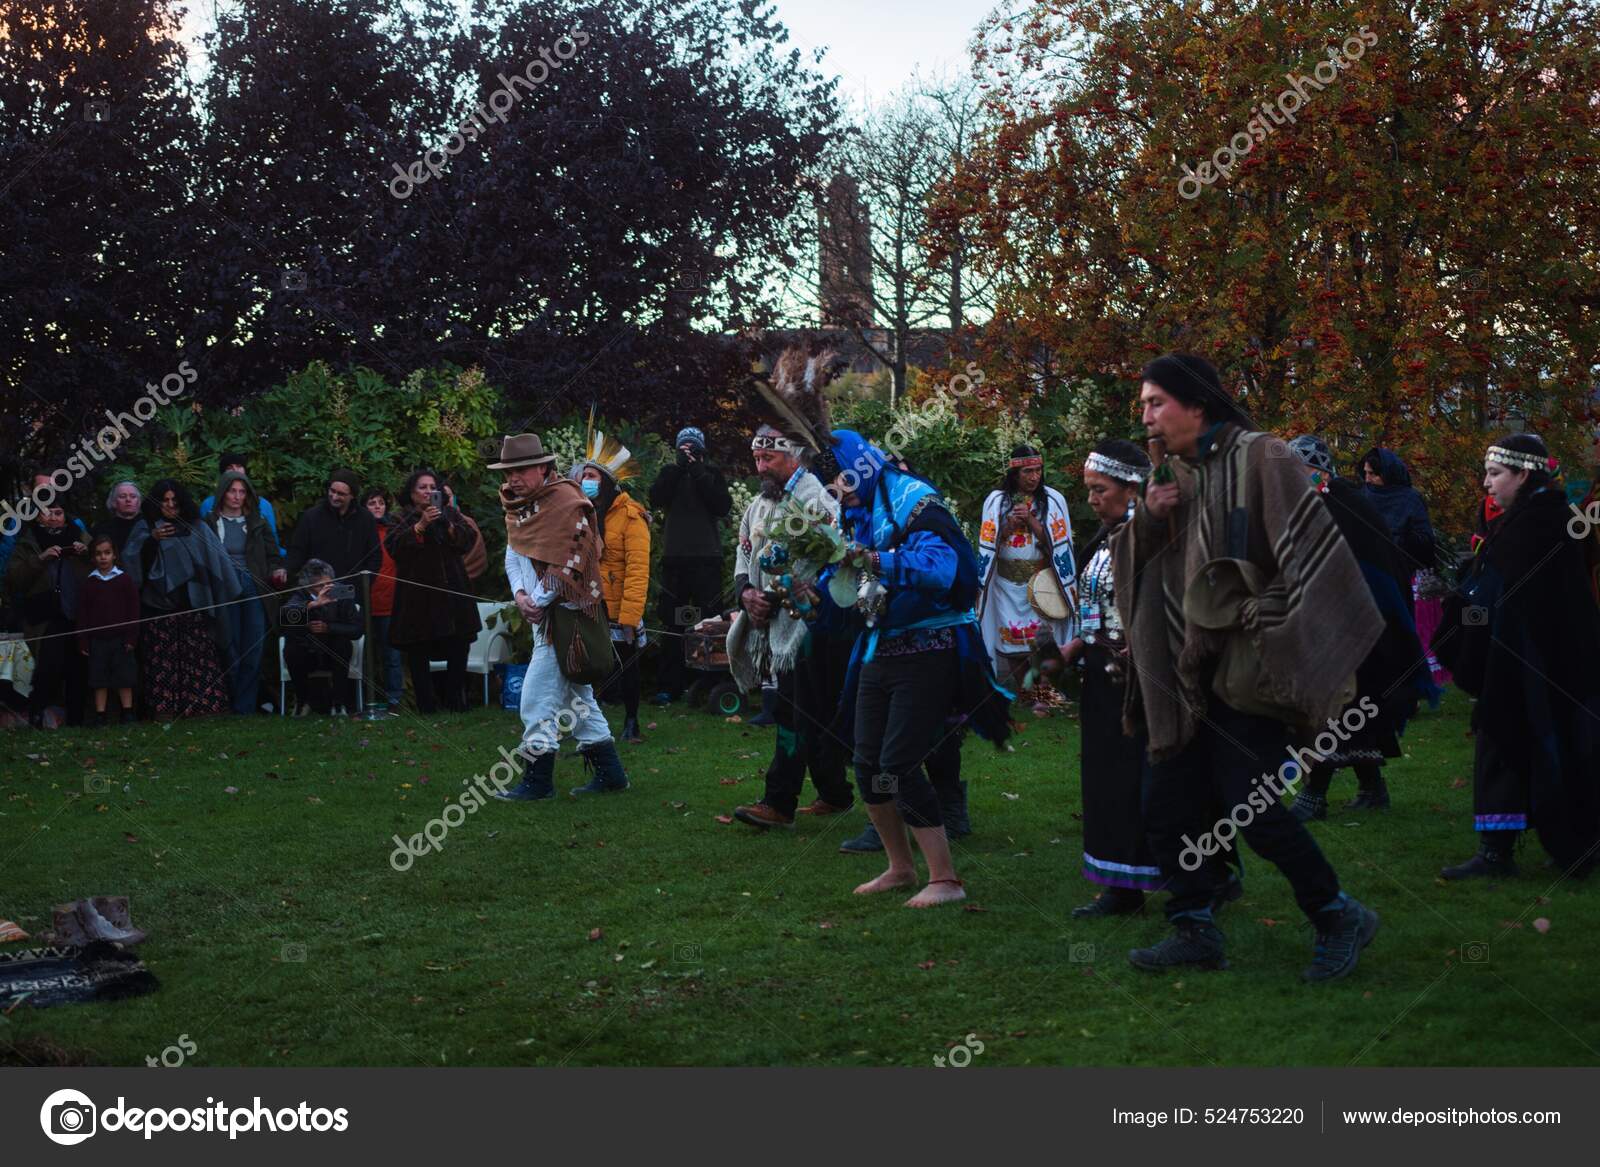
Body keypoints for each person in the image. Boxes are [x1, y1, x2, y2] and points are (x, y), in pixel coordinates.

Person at [1114, 354, 1380, 982]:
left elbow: (1318, 556)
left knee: (1250, 807)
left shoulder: (1266, 458)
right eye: (1145, 405)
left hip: (1246, 670)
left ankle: (1337, 913)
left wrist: (1265, 616)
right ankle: (1194, 927)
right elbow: (1136, 563)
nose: (1146, 417)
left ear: (1196, 405)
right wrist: (1150, 517)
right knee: (1167, 803)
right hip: (1183, 674)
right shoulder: (1168, 472)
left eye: (1156, 403)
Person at [813, 428, 1013, 907]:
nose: (839, 490)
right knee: (867, 762)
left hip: (933, 646)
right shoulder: (854, 510)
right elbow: (842, 578)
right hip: (881, 644)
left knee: (899, 763)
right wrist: (815, 587)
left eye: (842, 479)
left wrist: (876, 559)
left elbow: (943, 568)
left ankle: (945, 879)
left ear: (861, 464)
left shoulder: (915, 500)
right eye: (832, 484)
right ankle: (900, 868)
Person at [1435, 433, 1600, 879]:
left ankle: (1503, 854)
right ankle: (1530, 847)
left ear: (1523, 475)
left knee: (1511, 739)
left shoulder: (1538, 524)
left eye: (1494, 474)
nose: (1487, 485)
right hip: (1535, 657)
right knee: (1530, 743)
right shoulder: (1539, 518)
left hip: (1532, 660)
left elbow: (1506, 594)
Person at [1285, 436, 1435, 820]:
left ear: (1314, 470)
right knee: (1355, 708)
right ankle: (1372, 788)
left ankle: (1314, 794)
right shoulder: (1320, 501)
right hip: (1333, 624)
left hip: (1354, 627)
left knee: (1333, 708)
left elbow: (1364, 568)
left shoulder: (1342, 503)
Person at [1048, 440, 1165, 915]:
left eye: (1101, 489)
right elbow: (1095, 611)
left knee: (1151, 781)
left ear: (1132, 490)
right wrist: (1070, 651)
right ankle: (1122, 885)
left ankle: (1199, 883)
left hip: (1146, 682)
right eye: (1090, 490)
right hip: (1103, 678)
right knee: (1108, 779)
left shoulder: (1153, 540)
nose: (1093, 499)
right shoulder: (1106, 539)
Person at [727, 422, 856, 830]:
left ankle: (778, 802)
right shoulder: (759, 505)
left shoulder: (820, 502)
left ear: (795, 456)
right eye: (757, 458)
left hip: (814, 627)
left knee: (795, 713)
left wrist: (790, 593)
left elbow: (838, 563)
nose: (761, 466)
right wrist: (746, 593)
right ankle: (836, 793)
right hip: (779, 627)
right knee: (814, 715)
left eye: (770, 458)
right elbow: (743, 553)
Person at [488, 434, 630, 800]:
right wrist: (521, 595)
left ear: (543, 467)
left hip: (568, 617)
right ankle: (611, 775)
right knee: (577, 700)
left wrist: (537, 599)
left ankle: (538, 783)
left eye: (520, 470)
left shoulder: (568, 502)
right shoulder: (519, 506)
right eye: (508, 472)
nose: (513, 479)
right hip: (543, 615)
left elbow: (574, 560)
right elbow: (513, 554)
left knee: (535, 699)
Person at [122, 479, 238, 718]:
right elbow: (131, 565)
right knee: (161, 662)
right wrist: (152, 541)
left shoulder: (197, 527)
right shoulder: (144, 528)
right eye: (165, 500)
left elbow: (217, 563)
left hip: (194, 605)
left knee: (199, 660)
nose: (170, 505)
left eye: (175, 500)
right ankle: (164, 710)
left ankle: (204, 707)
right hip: (158, 608)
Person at [976, 444, 1077, 707]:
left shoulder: (1053, 500)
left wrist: (1032, 521)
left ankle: (1044, 693)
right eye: (1027, 472)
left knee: (1044, 640)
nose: (1034, 477)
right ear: (1014, 474)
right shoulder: (996, 501)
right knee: (1011, 641)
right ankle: (1025, 694)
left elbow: (1059, 544)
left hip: (1042, 583)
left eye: (1038, 470)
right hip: (1005, 585)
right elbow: (988, 545)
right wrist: (1008, 527)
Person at [385, 468, 483, 714]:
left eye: (432, 487)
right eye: (422, 487)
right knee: (418, 652)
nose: (428, 492)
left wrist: (447, 524)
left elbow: (467, 540)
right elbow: (394, 547)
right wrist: (420, 526)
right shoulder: (401, 518)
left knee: (459, 646)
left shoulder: (450, 513)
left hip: (453, 593)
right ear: (411, 492)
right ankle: (425, 706)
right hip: (417, 598)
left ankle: (456, 702)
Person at [577, 426, 651, 744]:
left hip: (620, 604)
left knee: (627, 664)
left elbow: (638, 569)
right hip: (589, 600)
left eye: (593, 476)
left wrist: (630, 617)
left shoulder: (631, 517)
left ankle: (632, 721)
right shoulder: (581, 513)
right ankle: (590, 723)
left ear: (605, 481)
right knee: (589, 663)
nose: (586, 481)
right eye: (584, 475)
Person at [648, 425, 731, 704]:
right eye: (683, 448)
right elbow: (656, 498)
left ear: (702, 450)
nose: (688, 453)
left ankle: (711, 679)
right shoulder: (669, 474)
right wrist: (678, 469)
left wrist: (697, 471)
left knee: (709, 620)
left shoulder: (712, 474)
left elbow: (721, 505)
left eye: (692, 448)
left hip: (706, 558)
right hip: (675, 559)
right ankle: (669, 684)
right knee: (672, 621)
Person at [210, 470, 286, 715]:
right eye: (232, 490)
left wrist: (277, 571)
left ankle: (245, 707)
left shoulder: (258, 522)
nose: (237, 496)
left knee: (253, 647)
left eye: (242, 492)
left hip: (254, 587)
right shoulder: (210, 523)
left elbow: (274, 557)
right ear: (223, 492)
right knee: (228, 647)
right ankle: (228, 702)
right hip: (224, 590)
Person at [6, 503, 89, 727]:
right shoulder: (28, 541)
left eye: (59, 512)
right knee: (47, 668)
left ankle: (77, 719)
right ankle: (37, 714)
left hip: (77, 614)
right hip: (45, 616)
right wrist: (40, 559)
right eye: (48, 512)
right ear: (38, 517)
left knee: (78, 668)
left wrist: (85, 554)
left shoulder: (80, 536)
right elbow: (14, 580)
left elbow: (105, 564)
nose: (54, 517)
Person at [280, 559, 363, 716]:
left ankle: (338, 704)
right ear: (307, 586)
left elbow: (356, 629)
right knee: (292, 649)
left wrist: (329, 628)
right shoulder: (299, 594)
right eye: (320, 586)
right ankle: (302, 702)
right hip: (307, 652)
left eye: (329, 584)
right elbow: (284, 619)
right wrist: (313, 604)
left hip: (334, 652)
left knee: (342, 644)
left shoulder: (341, 593)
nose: (326, 589)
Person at [76, 535, 140, 725]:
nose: (103, 557)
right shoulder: (89, 583)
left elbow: (134, 611)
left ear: (114, 555)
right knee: (98, 678)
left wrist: (131, 638)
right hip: (97, 640)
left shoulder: (125, 580)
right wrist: (83, 640)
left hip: (121, 639)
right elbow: (82, 615)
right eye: (98, 554)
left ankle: (127, 712)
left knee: (125, 677)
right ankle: (100, 714)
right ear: (93, 558)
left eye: (107, 553)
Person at [284, 469, 381, 586]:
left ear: (352, 496)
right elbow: (297, 551)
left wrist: (364, 583)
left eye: (341, 494)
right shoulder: (311, 516)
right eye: (332, 491)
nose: (334, 497)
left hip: (353, 590)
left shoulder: (365, 519)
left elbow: (375, 556)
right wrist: (288, 571)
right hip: (318, 589)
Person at [362, 487, 407, 709]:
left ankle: (394, 699)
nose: (378, 506)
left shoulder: (394, 530)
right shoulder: (359, 531)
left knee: (392, 656)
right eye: (372, 503)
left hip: (390, 601)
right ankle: (362, 698)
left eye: (380, 502)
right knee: (365, 655)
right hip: (365, 601)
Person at [200, 452, 281, 545]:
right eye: (229, 467)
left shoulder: (264, 505)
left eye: (239, 466)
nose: (235, 470)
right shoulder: (208, 504)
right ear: (223, 474)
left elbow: (273, 541)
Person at [93, 481, 144, 559]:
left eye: (133, 496)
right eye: (123, 496)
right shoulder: (101, 529)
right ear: (114, 502)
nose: (128, 500)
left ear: (138, 502)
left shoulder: (149, 525)